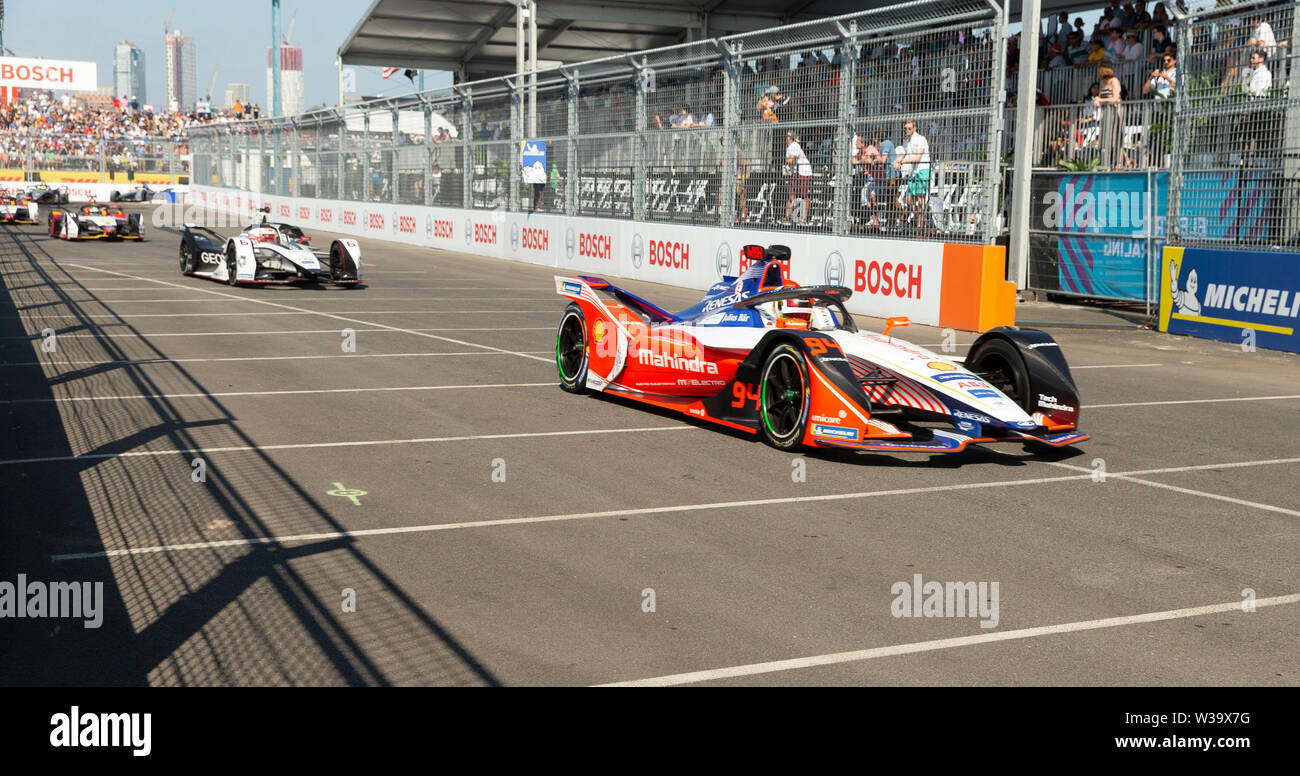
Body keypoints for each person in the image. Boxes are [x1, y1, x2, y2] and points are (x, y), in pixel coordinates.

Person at [892, 118, 931, 234]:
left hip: (922, 170)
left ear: (914, 128)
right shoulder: (907, 142)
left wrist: (902, 162)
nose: (907, 130)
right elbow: (902, 154)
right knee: (908, 199)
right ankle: (920, 218)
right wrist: (896, 161)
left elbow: (917, 157)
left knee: (920, 198)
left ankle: (920, 223)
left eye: (909, 128)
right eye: (905, 128)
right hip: (914, 172)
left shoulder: (920, 139)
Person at [1094, 62, 1127, 168]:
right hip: (1106, 112)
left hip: (1116, 111)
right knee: (1104, 138)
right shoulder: (1102, 83)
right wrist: (1096, 99)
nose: (1098, 72)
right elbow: (1100, 97)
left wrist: (1101, 99)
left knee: (1115, 137)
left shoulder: (1114, 81)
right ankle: (1108, 162)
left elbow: (1115, 98)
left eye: (1099, 70)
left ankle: (1120, 163)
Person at [783, 130, 812, 225]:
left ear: (790, 138)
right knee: (791, 194)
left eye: (788, 137)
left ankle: (803, 220)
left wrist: (785, 163)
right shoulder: (789, 147)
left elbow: (791, 159)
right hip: (796, 172)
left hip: (804, 172)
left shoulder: (795, 145)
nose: (786, 138)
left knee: (804, 196)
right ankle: (787, 218)